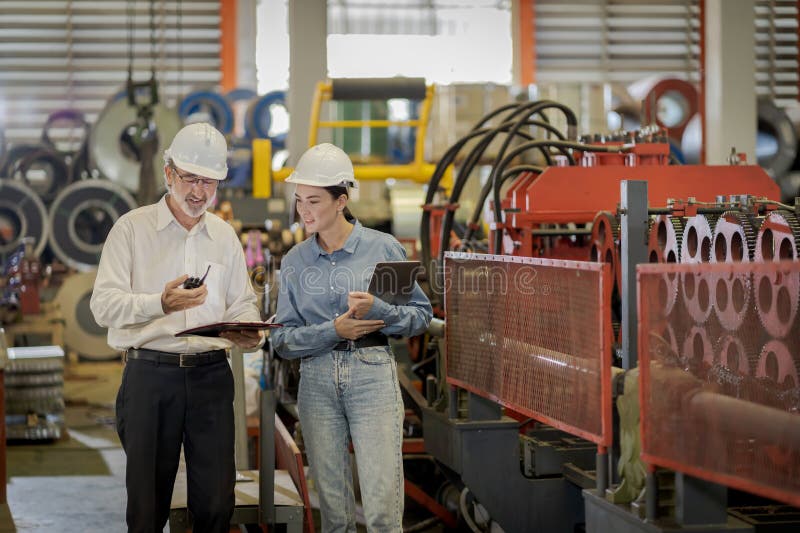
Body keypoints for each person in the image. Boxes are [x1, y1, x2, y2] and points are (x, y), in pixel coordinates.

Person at [90, 122, 264, 533]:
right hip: (150, 377)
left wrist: (248, 330)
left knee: (216, 505)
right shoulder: (131, 230)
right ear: (168, 173)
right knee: (147, 509)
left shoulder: (224, 236)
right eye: (191, 178)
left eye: (210, 182)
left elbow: (242, 301)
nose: (200, 192)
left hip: (211, 379)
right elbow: (103, 306)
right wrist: (160, 303)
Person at [271, 143, 433, 532]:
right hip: (316, 382)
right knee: (335, 515)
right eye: (299, 200)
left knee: (382, 512)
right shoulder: (295, 262)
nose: (303, 211)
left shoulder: (383, 248)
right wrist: (333, 331)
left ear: (341, 201)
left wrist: (381, 310)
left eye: (313, 201)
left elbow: (420, 316)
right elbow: (282, 340)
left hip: (371, 376)